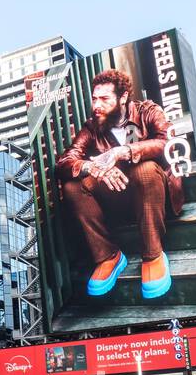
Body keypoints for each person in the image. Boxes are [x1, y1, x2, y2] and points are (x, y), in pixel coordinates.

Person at [54, 69, 183, 300]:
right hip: (120, 197)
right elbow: (65, 161)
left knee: (144, 170)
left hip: (152, 192)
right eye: (94, 99)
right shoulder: (92, 126)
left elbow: (168, 143)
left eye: (104, 99)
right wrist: (91, 168)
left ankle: (153, 254)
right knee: (74, 186)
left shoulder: (148, 111)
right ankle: (108, 256)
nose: (96, 105)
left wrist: (124, 151)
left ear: (123, 97)